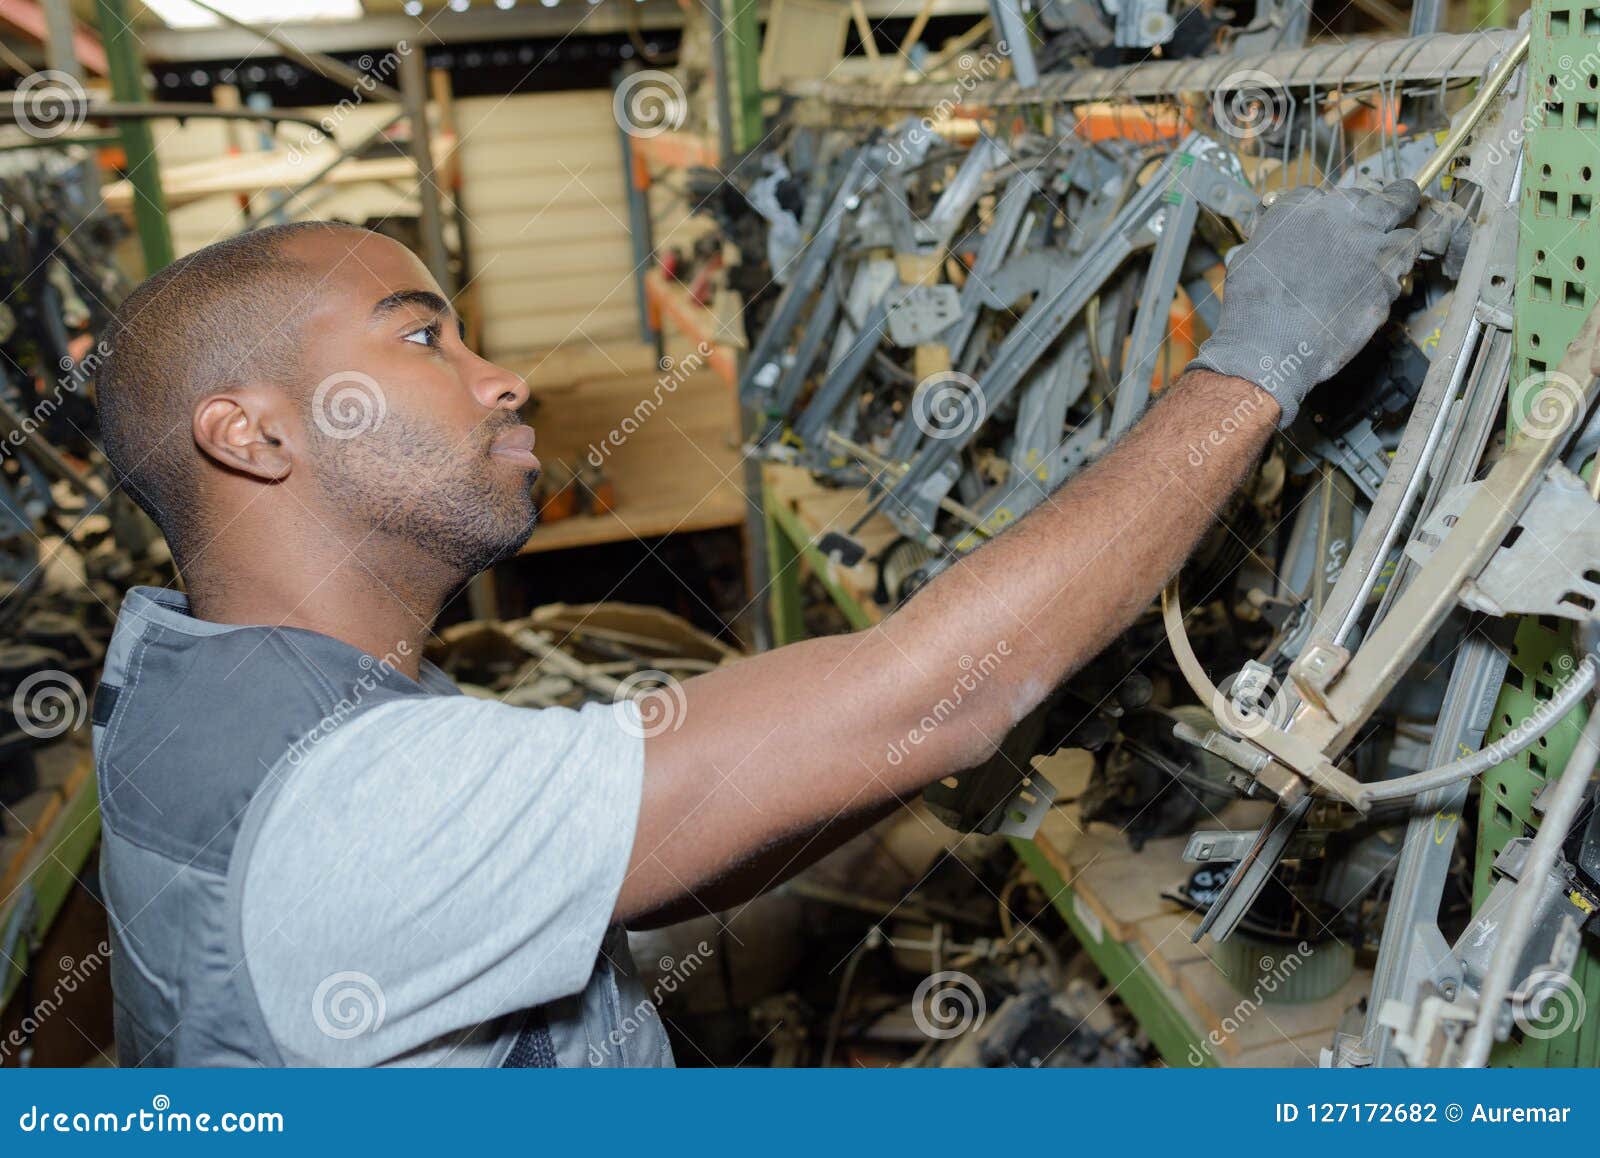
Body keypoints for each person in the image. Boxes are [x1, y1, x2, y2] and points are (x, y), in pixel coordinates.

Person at [90, 179, 1426, 1066]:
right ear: (252, 433)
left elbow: (661, 858)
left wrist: (900, 765)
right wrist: (1259, 360)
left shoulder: (208, 696)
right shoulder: (352, 810)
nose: (503, 380)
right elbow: (935, 687)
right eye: (422, 339)